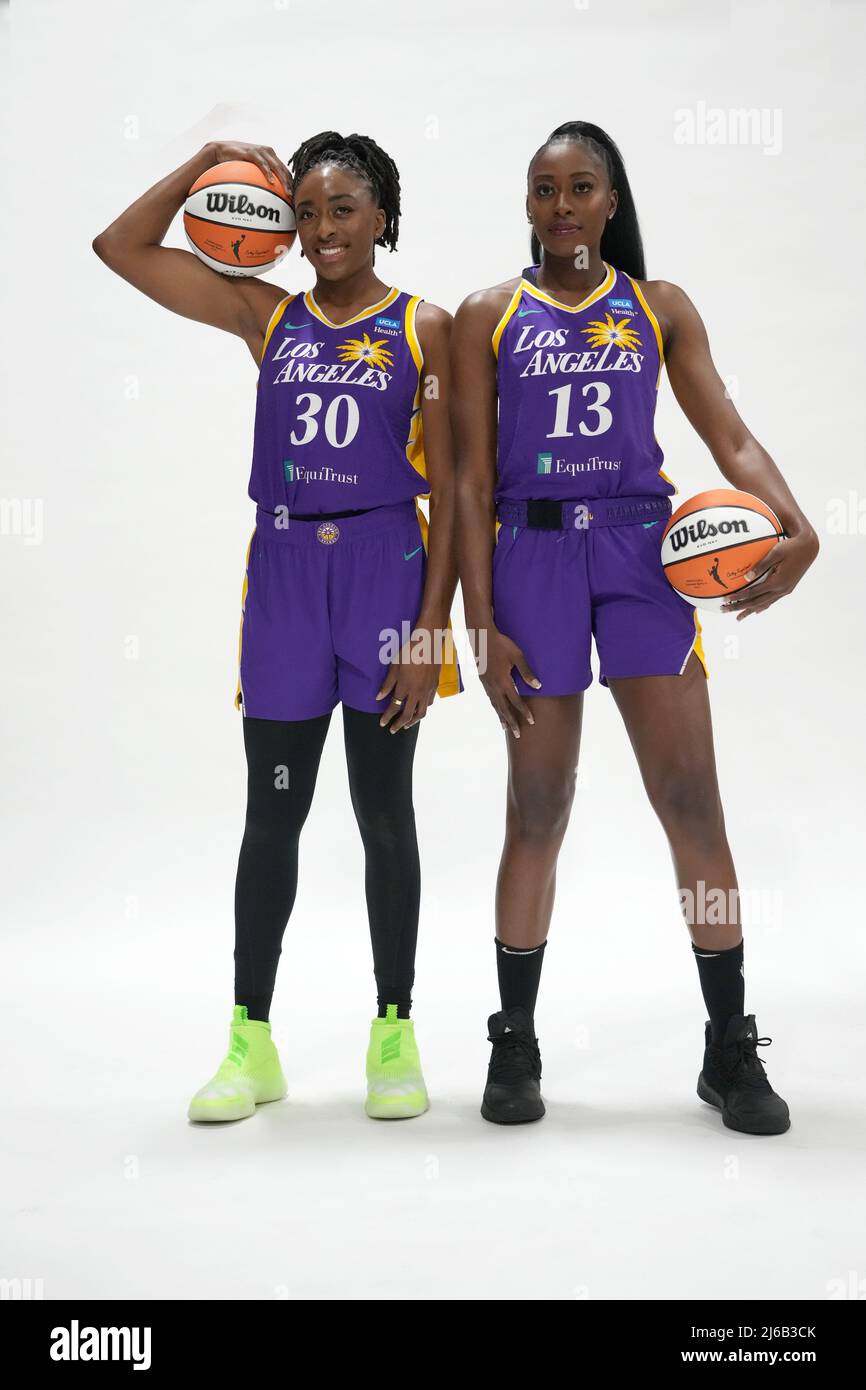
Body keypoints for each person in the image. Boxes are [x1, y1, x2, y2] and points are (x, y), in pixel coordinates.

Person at [450, 120, 818, 1133]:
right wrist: (479, 623)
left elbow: (727, 434)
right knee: (536, 809)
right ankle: (513, 1043)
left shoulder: (655, 308)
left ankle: (726, 1041)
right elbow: (470, 480)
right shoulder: (486, 313)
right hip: (529, 560)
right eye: (541, 189)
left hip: (639, 557)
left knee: (691, 802)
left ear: (611, 202)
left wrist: (795, 524)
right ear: (524, 205)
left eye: (579, 188)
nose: (559, 206)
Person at [93, 131, 461, 1123]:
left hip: (387, 572)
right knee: (274, 811)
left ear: (380, 213)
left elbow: (465, 495)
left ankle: (395, 1028)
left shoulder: (425, 328)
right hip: (287, 577)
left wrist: (432, 638)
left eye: (342, 208)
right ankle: (249, 1040)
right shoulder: (268, 316)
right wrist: (199, 161)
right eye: (305, 211)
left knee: (383, 810)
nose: (323, 229)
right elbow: (118, 248)